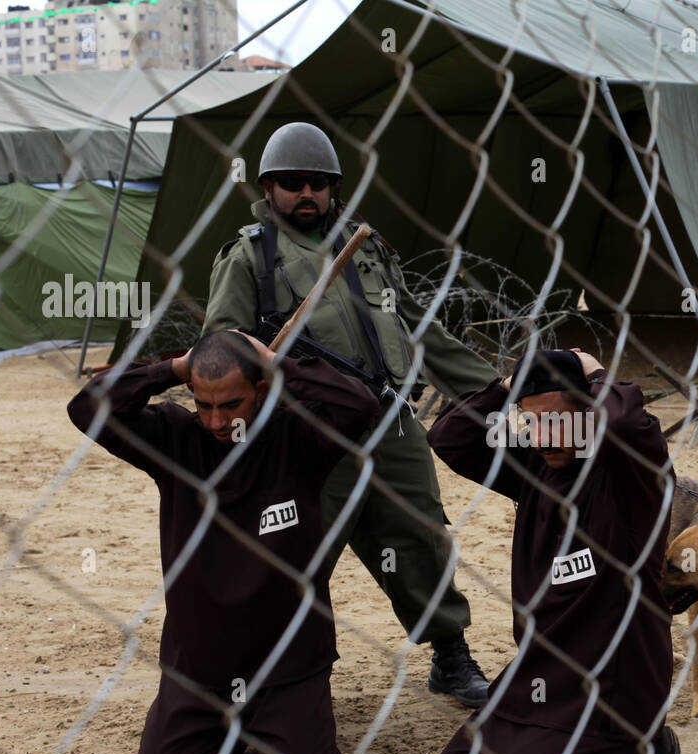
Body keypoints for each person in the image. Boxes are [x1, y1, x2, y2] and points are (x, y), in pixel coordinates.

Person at [204, 122, 497, 708]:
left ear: (333, 188)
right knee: (300, 549)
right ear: (268, 187)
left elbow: (416, 325)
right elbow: (222, 348)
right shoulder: (250, 255)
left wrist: (495, 386)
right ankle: (276, 672)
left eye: (318, 183)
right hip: (309, 432)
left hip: (392, 422)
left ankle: (450, 655)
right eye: (292, 182)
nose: (306, 192)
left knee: (421, 535)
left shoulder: (365, 246)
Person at [67, 330, 379, 754]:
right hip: (200, 666)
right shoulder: (173, 438)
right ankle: (234, 733)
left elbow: (360, 405)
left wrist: (276, 361)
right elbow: (86, 409)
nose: (216, 420)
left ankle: (279, 726)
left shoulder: (300, 438)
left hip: (286, 664)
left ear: (261, 389)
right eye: (203, 403)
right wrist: (172, 369)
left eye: (231, 404)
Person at [420, 348, 683, 754]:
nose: (542, 437)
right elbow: (449, 436)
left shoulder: (632, 480)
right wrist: (511, 384)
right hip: (534, 681)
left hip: (608, 694)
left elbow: (627, 424)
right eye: (531, 422)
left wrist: (594, 372)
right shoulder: (535, 468)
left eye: (558, 421)